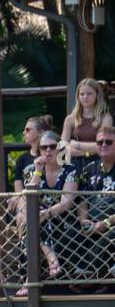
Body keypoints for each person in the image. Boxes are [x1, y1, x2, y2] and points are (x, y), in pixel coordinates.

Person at [18, 130, 78, 290]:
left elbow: (66, 203)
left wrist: (45, 213)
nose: (48, 151)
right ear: (39, 151)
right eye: (44, 148)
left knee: (32, 223)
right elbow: (28, 196)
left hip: (63, 219)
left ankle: (28, 279)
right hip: (39, 219)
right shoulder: (32, 169)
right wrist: (38, 171)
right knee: (32, 221)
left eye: (52, 147)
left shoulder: (71, 170)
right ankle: (51, 257)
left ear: (59, 149)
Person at [77, 124, 115, 279]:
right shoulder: (89, 169)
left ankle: (92, 278)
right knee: (68, 232)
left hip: (111, 224)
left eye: (108, 142)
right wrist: (84, 221)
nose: (103, 145)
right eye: (100, 142)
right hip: (91, 225)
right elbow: (82, 200)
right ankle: (78, 276)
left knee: (108, 238)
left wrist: (105, 223)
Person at [60, 77, 113, 173]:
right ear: (78, 96)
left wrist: (77, 144)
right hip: (73, 165)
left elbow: (104, 147)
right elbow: (62, 151)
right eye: (82, 94)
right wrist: (89, 151)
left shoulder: (106, 118)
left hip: (98, 163)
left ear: (97, 95)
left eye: (89, 94)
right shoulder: (70, 119)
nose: (85, 97)